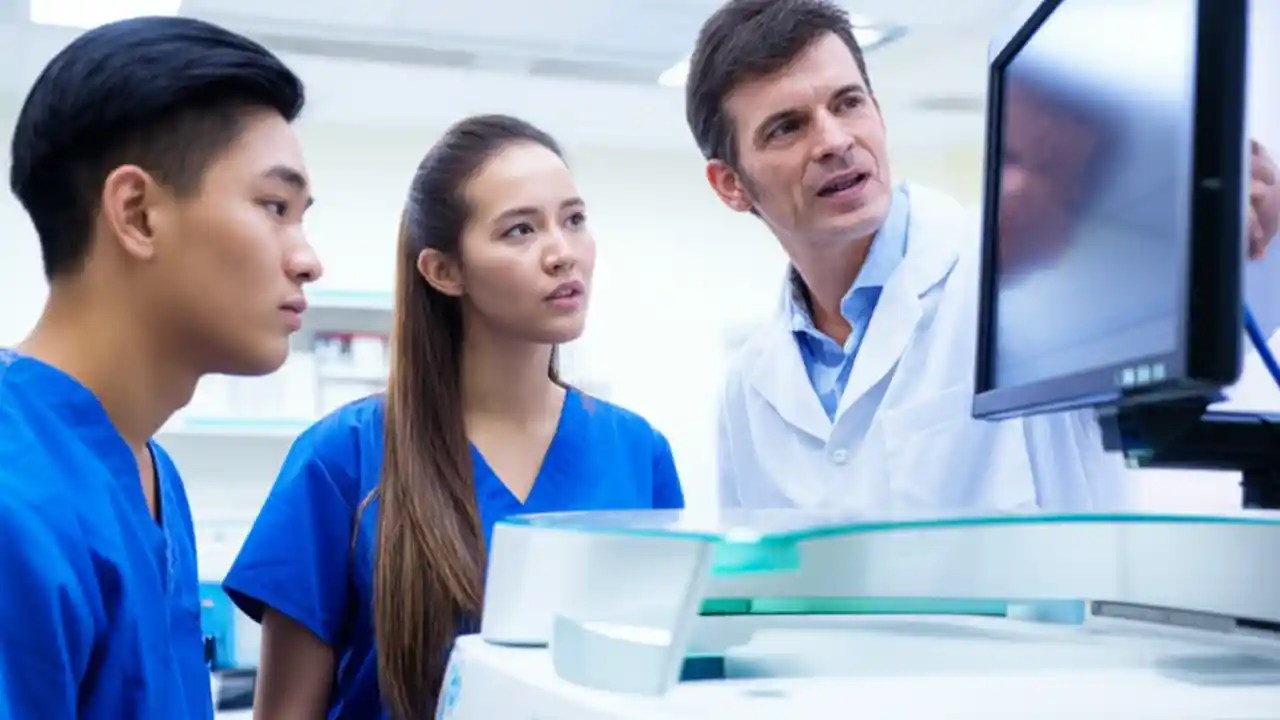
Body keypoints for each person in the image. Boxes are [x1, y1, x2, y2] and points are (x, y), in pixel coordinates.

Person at [688, 0, 1280, 512]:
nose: (835, 141)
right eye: (787, 127)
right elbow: (753, 585)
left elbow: (1190, 327)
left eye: (848, 103)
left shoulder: (1021, 273)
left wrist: (1219, 233)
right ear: (730, 185)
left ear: (879, 112)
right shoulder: (747, 391)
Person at [221, 114, 686, 720]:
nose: (562, 253)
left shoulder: (638, 452)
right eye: (520, 230)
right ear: (444, 271)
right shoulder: (343, 457)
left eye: (573, 220)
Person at [0, 15, 320, 720]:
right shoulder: (15, 499)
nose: (307, 259)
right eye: (274, 207)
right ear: (138, 214)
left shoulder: (150, 473)